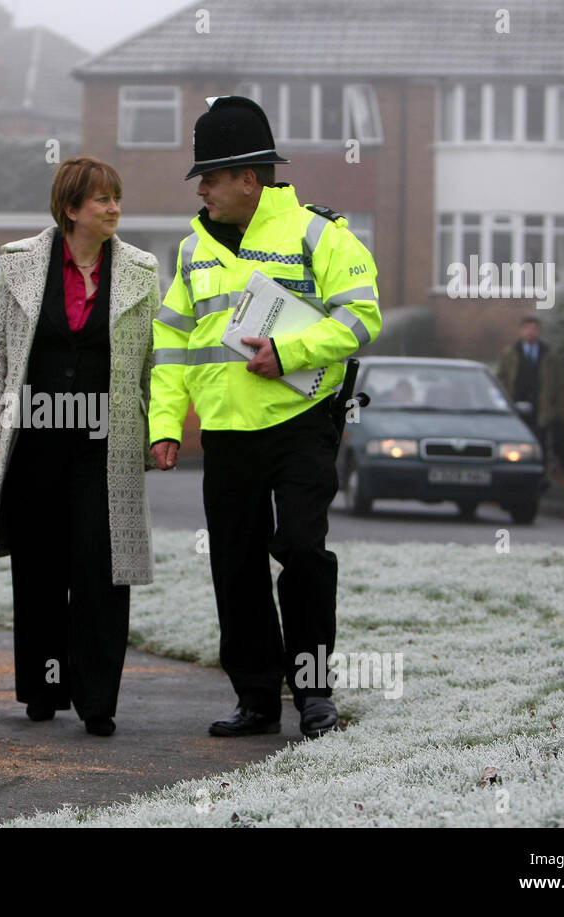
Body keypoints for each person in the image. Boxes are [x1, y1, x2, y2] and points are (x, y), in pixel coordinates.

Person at [149, 96, 382, 739]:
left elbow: (363, 316)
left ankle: (314, 694)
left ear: (249, 179)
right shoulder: (192, 250)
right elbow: (170, 345)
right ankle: (255, 698)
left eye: (211, 177)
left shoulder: (318, 234)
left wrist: (290, 352)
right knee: (235, 563)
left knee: (302, 551)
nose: (202, 189)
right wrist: (165, 425)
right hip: (225, 431)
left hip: (301, 423)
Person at [0, 156, 159, 737]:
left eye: (117, 198)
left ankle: (97, 700)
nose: (113, 208)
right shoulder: (21, 262)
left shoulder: (142, 269)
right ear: (71, 208)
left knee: (103, 566)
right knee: (40, 566)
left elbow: (153, 358)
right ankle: (44, 686)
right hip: (34, 437)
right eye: (101, 200)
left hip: (106, 443)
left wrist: (161, 427)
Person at [496, 316, 564, 473]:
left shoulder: (548, 355)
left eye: (534, 329)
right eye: (527, 328)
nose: (530, 332)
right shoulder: (510, 354)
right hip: (516, 406)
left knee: (539, 441)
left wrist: (556, 410)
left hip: (540, 408)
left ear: (539, 331)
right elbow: (501, 380)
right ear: (521, 331)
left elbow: (558, 384)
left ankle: (539, 473)